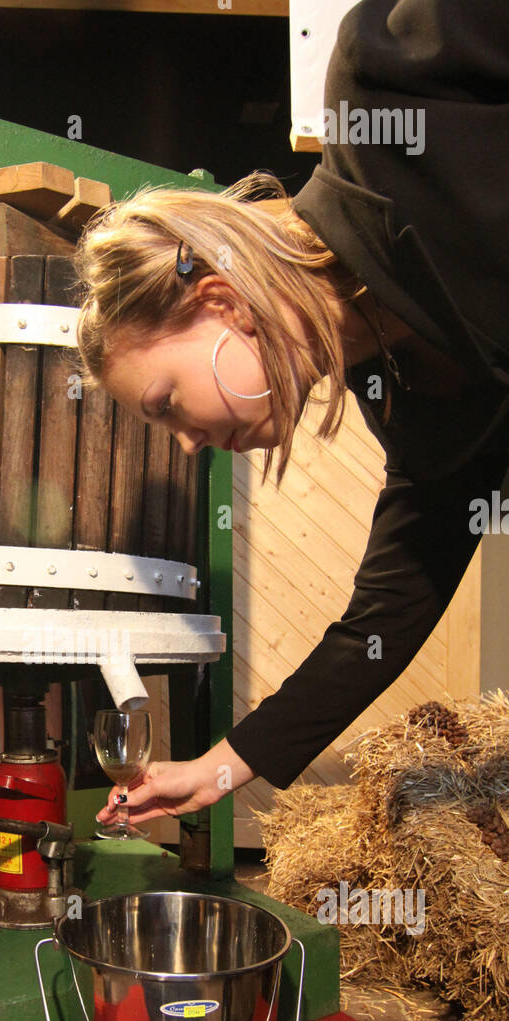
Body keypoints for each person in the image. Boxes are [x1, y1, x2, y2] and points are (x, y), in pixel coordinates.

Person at [79, 0, 509, 831]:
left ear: (219, 300)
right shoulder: (415, 412)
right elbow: (381, 621)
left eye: (168, 404)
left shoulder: (386, 76)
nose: (190, 442)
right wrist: (221, 765)